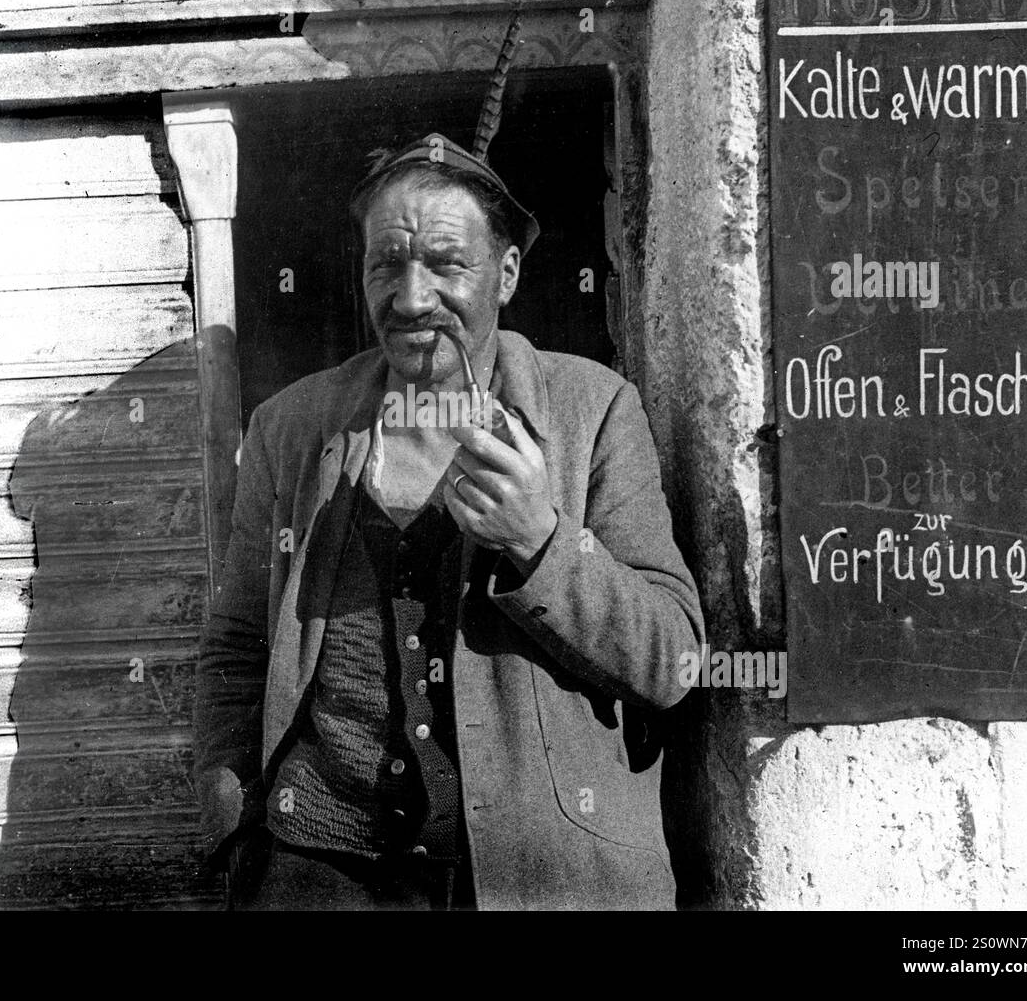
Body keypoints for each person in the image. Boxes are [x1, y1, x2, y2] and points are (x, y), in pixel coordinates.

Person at [193, 132, 705, 910]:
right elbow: (235, 647)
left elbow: (674, 663)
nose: (411, 297)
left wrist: (541, 543)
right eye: (386, 264)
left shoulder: (593, 411)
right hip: (318, 876)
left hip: (540, 878)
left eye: (446, 263)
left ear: (505, 275)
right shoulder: (289, 429)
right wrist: (235, 818)